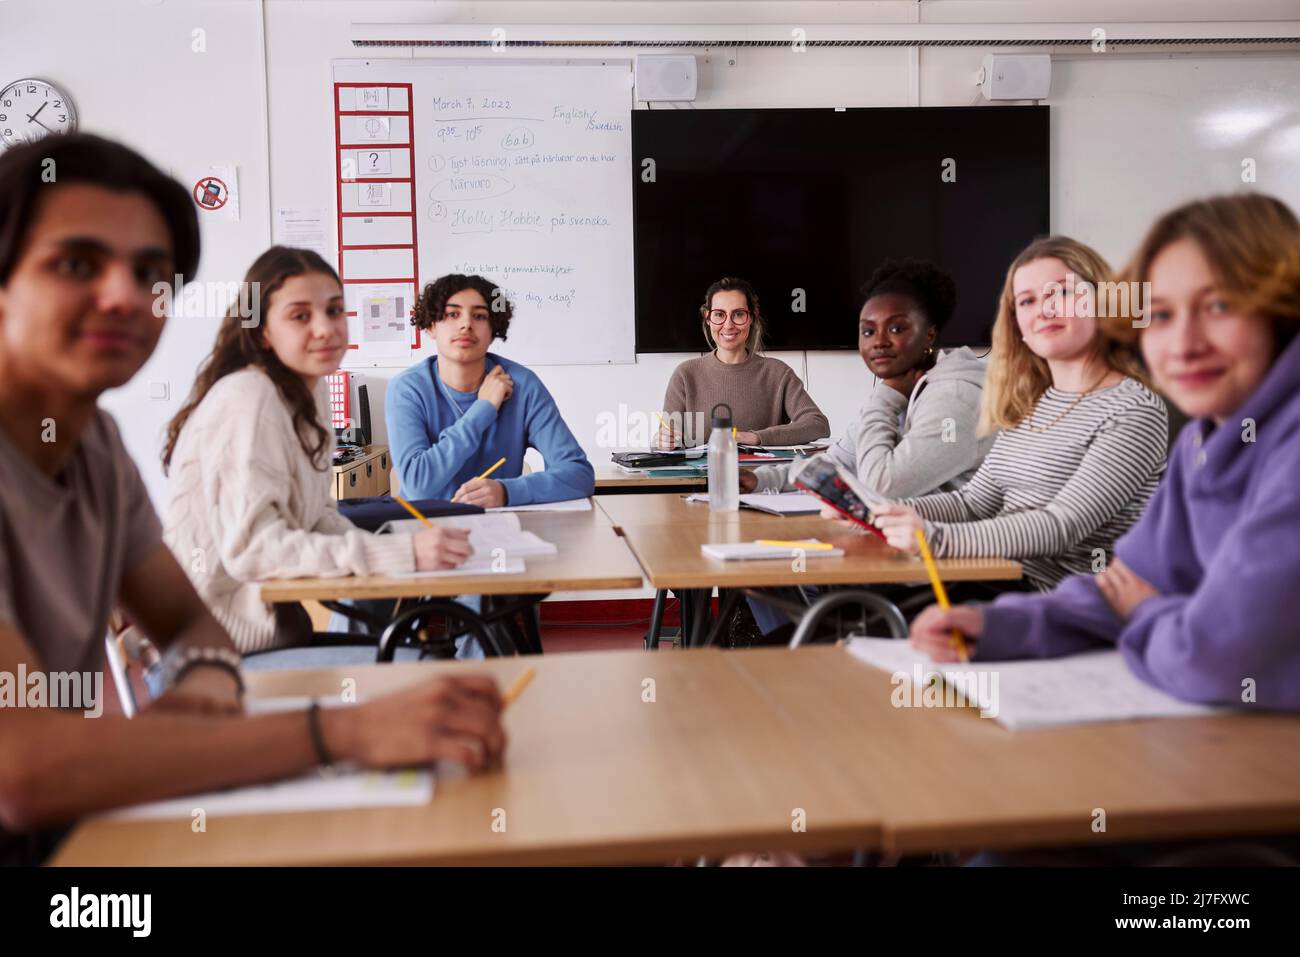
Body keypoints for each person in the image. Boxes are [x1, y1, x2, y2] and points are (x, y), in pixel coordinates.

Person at [0, 134, 504, 865]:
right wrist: (342, 730)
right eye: (76, 263)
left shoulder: (94, 444)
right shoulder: (247, 400)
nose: (122, 294)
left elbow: (188, 623)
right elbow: (25, 769)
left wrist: (207, 683)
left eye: (149, 272)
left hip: (77, 818)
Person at [910, 193, 1300, 710]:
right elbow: (1131, 583)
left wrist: (1144, 613)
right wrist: (996, 628)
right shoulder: (1202, 439)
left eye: (1219, 306)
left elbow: (1212, 657)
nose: (1182, 344)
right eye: (1160, 314)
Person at [162, 247, 471, 655]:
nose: (325, 328)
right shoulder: (250, 396)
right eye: (300, 316)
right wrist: (395, 552)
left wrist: (401, 550)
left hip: (275, 637)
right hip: (219, 654)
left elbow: (317, 515)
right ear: (261, 331)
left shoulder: (308, 389)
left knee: (433, 661)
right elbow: (255, 550)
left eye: (334, 310)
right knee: (436, 676)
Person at [870, 236, 1169, 592]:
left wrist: (933, 538)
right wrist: (884, 513)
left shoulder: (1133, 410)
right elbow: (972, 503)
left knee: (850, 616)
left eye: (1061, 293)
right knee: (844, 611)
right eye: (1027, 301)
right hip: (995, 577)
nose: (1044, 310)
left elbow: (1062, 525)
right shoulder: (1033, 402)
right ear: (1017, 324)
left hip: (1057, 600)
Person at [745, 258, 990, 497]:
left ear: (929, 334)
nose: (879, 342)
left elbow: (884, 485)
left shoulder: (954, 398)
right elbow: (839, 462)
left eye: (896, 328)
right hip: (911, 530)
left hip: (964, 536)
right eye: (868, 331)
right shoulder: (905, 386)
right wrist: (761, 479)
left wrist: (886, 395)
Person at [387, 274, 594, 506]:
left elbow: (579, 475)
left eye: (479, 316)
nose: (466, 324)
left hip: (500, 529)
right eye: (453, 314)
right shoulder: (407, 389)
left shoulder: (522, 385)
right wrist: (483, 409)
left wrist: (506, 492)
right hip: (427, 529)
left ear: (493, 329)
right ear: (431, 326)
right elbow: (417, 486)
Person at [656, 276, 828, 449]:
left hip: (762, 475)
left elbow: (817, 424)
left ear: (752, 317)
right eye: (719, 314)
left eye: (738, 314)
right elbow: (665, 438)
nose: (728, 324)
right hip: (702, 476)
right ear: (708, 318)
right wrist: (662, 440)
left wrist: (756, 437)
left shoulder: (778, 373)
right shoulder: (685, 374)